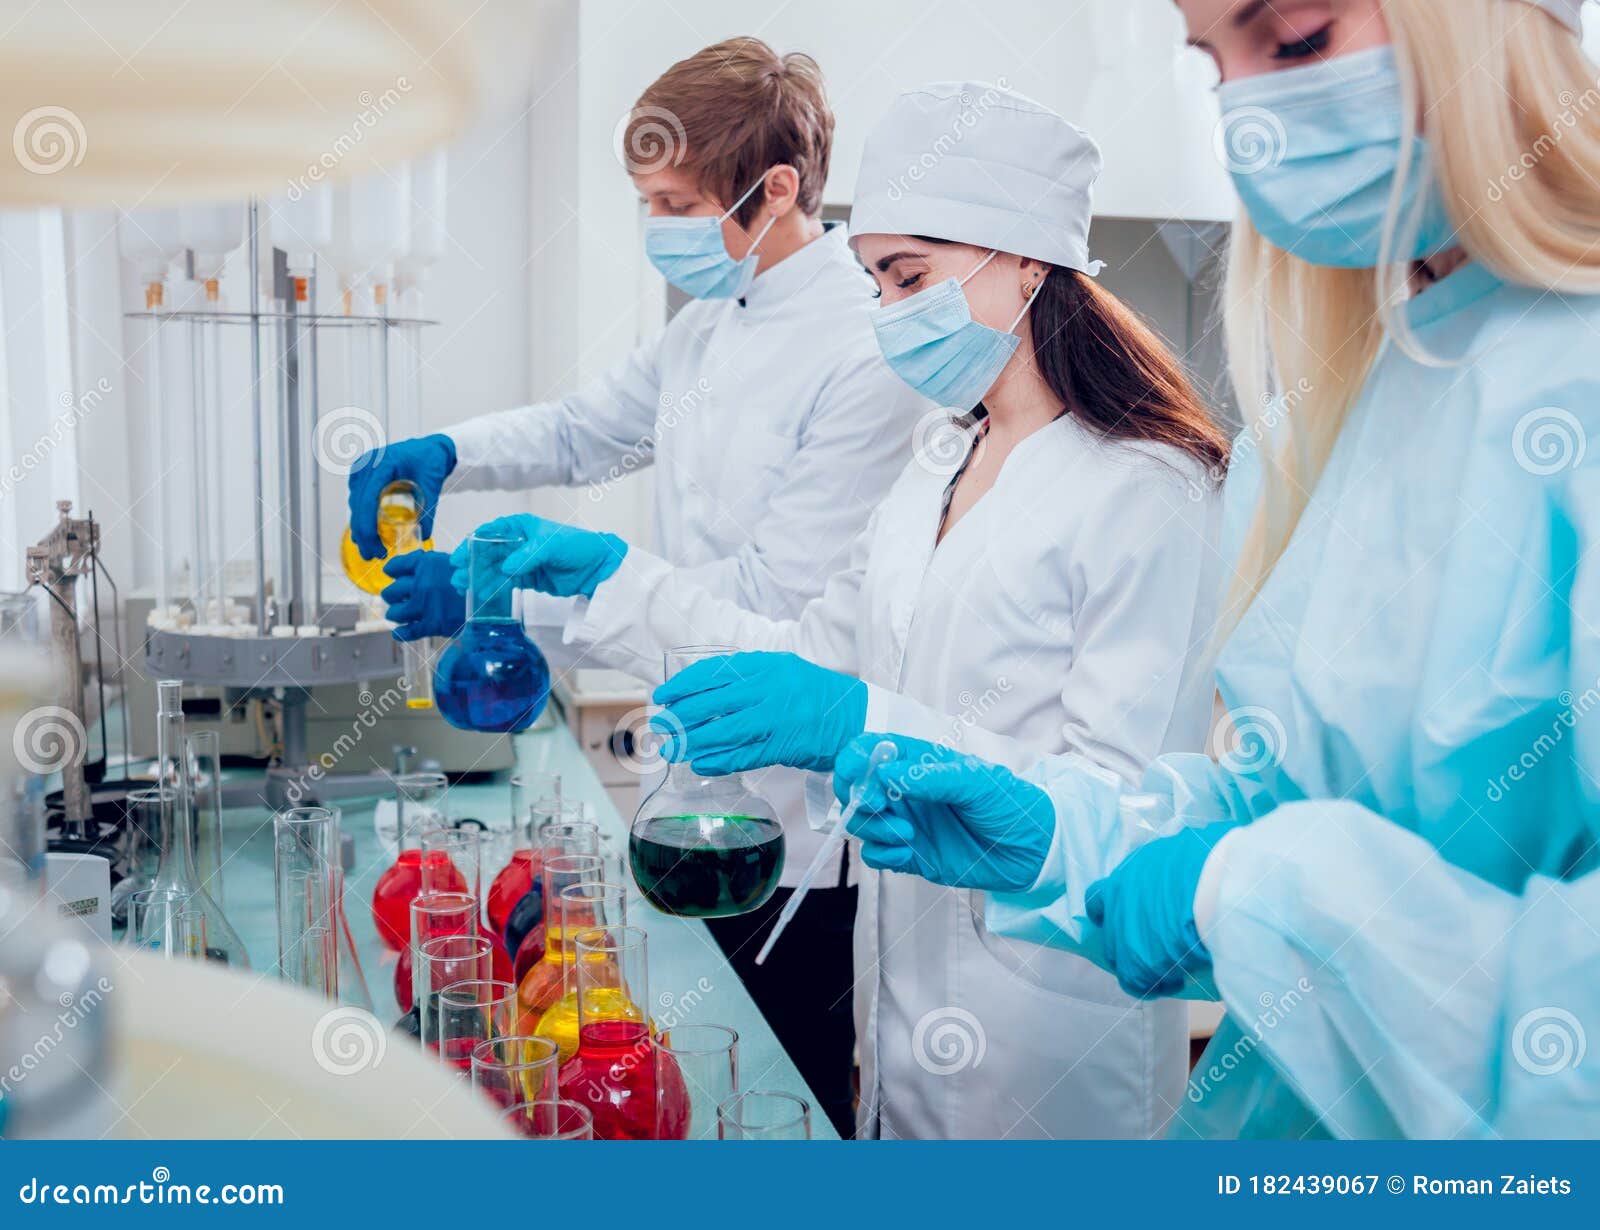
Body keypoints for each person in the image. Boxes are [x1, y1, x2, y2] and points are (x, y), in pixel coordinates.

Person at [831, 0, 1600, 1139]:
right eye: (1212, 65)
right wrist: (1057, 835)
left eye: (1296, 38)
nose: (1249, 117)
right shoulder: (1335, 414)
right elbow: (1274, 802)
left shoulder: (1566, 392)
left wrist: (1268, 899)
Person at [455, 82, 1232, 1140]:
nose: (887, 313)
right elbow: (807, 651)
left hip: (1053, 1027)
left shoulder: (1146, 487)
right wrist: (609, 580)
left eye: (908, 276)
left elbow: (1128, 804)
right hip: (900, 998)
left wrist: (858, 721)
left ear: (1027, 260)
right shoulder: (937, 466)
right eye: (875, 283)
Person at [356, 38, 929, 1138]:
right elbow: (584, 431)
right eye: (646, 201)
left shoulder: (864, 349)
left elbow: (770, 601)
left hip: (799, 828)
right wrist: (446, 451)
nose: (656, 225)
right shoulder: (710, 322)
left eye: (676, 203)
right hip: (694, 787)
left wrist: (508, 607)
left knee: (773, 1098)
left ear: (777, 189)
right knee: (676, 1076)